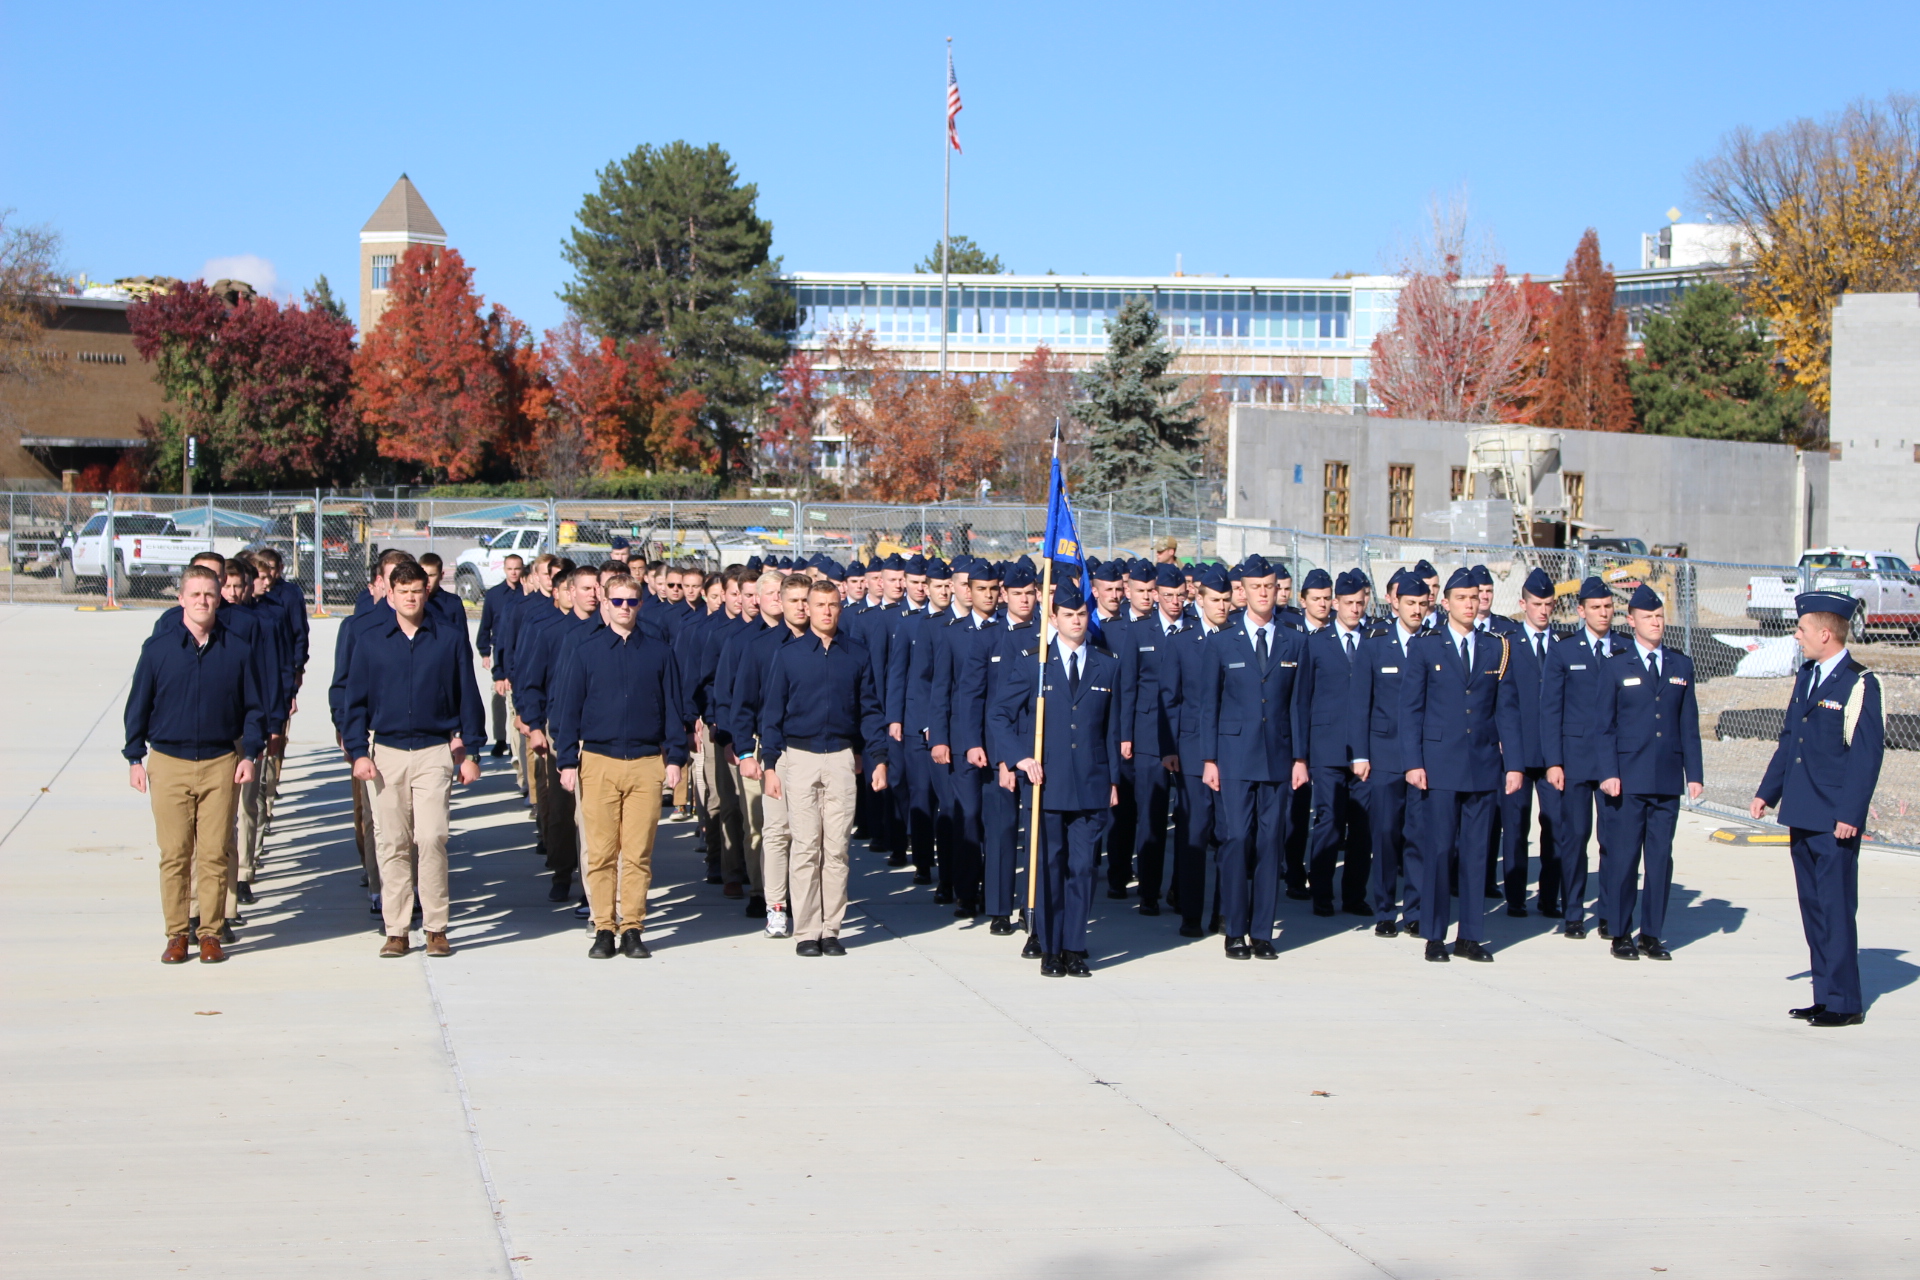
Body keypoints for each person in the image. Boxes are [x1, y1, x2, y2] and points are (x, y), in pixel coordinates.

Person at [1752, 592, 1885, 1026]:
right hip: (1802, 810)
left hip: (1834, 819)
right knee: (1812, 907)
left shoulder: (1859, 682)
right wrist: (1767, 792)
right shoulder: (1807, 675)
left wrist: (1850, 814)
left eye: (1803, 629)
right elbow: (1790, 739)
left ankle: (1845, 1002)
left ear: (1825, 634)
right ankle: (1824, 994)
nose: (1797, 635)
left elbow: (1866, 756)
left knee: (1836, 907)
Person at [344, 561, 485, 958]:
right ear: (389, 595)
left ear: (427, 592)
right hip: (385, 753)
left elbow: (467, 695)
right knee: (392, 842)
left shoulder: (449, 637)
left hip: (434, 751)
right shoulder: (370, 639)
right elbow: (354, 701)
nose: (410, 597)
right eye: (402, 590)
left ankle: (436, 926)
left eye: (417, 590)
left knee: (432, 837)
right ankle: (397, 929)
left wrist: (470, 750)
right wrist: (358, 751)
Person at [125, 565, 264, 964]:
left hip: (222, 761)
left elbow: (255, 709)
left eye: (209, 594)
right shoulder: (158, 650)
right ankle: (176, 933)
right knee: (174, 853)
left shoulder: (237, 650)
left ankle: (210, 933)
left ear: (219, 598)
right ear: (181, 599)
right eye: (196, 594)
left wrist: (249, 755)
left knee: (215, 852)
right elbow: (137, 707)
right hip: (168, 763)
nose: (203, 601)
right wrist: (135, 756)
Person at [550, 574, 690, 959]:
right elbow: (568, 709)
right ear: (605, 602)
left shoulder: (659, 652)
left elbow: (673, 709)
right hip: (597, 761)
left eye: (631, 601)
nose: (624, 608)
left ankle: (632, 926)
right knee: (600, 852)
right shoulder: (585, 650)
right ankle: (603, 927)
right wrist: (566, 761)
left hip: (646, 762)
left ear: (641, 604)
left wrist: (675, 758)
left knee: (638, 852)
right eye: (617, 601)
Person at [991, 583, 1121, 977]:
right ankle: (1049, 947)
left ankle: (1074, 946)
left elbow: (1112, 729)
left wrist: (1113, 780)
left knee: (1083, 869)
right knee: (1049, 866)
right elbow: (1000, 716)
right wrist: (1020, 758)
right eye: (1068, 615)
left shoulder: (1107, 664)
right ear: (1054, 619)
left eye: (1081, 614)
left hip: (1091, 785)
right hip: (1046, 785)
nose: (1076, 621)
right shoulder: (1035, 663)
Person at [760, 579, 890, 957]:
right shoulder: (788, 655)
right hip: (798, 758)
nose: (826, 612)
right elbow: (772, 714)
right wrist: (770, 765)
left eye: (833, 605)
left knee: (836, 849)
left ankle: (831, 929)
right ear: (809, 610)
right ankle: (805, 931)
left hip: (841, 758)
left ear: (840, 607)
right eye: (819, 605)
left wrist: (878, 758)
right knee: (805, 847)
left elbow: (870, 710)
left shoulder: (857, 654)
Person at [1400, 567, 1524, 963]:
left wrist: (1515, 765)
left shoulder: (1495, 647)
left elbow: (1507, 711)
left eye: (1475, 598)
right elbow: (1411, 709)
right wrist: (1413, 762)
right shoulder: (1426, 646)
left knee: (1476, 853)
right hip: (1438, 763)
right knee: (1439, 850)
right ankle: (1435, 935)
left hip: (1483, 763)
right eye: (1462, 599)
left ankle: (1470, 935)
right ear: (1446, 603)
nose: (1470, 605)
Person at [1196, 553, 1309, 961]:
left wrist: (1300, 758)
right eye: (1256, 587)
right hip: (1234, 756)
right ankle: (1234, 928)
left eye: (1270, 587)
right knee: (1237, 839)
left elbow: (1299, 705)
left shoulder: (1296, 640)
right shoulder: (1222, 642)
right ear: (1241, 592)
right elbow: (1209, 703)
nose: (1264, 594)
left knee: (1269, 844)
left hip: (1278, 757)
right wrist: (1209, 759)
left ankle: (1262, 932)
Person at [1594, 584, 1704, 962]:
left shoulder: (1680, 665)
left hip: (1666, 778)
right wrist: (1608, 772)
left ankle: (1652, 933)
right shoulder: (1616, 664)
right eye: (1647, 617)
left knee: (1660, 859)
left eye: (1659, 617)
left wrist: (1695, 773)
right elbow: (1603, 726)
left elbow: (1688, 723)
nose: (1655, 623)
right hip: (1627, 777)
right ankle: (1621, 931)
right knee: (1624, 858)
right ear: (1632, 621)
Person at [1542, 578, 1630, 939]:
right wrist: (1554, 762)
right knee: (1574, 837)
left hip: (1612, 762)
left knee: (1612, 841)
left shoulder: (1625, 650)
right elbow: (1551, 710)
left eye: (1608, 607)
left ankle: (1610, 913)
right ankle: (1574, 911)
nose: (1604, 613)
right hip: (1575, 760)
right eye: (1596, 607)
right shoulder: (1565, 651)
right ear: (1581, 611)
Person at [960, 560, 1043, 938]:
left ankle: (1032, 905)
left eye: (1030, 593)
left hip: (1035, 748)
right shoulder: (987, 637)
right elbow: (973, 695)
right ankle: (998, 907)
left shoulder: (1044, 636)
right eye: (1017, 594)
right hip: (997, 751)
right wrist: (975, 743)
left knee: (1035, 831)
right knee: (1002, 828)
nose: (1024, 600)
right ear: (1004, 595)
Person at [1350, 570, 1428, 937]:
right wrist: (1360, 754)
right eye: (1409, 603)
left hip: (1423, 757)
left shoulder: (1434, 642)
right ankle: (1384, 908)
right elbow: (1359, 703)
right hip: (1382, 755)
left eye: (1422, 604)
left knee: (1418, 834)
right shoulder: (1375, 643)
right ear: (1395, 604)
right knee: (1384, 833)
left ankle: (1413, 909)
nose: (1416, 610)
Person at [932, 558, 1002, 920]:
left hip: (999, 742)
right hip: (961, 740)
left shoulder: (1009, 630)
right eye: (981, 590)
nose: (988, 596)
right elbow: (941, 689)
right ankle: (965, 890)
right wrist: (940, 738)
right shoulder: (951, 632)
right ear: (968, 592)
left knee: (996, 819)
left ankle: (995, 891)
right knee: (968, 817)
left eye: (993, 589)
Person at [1116, 562, 1187, 915]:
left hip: (1184, 735)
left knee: (1189, 816)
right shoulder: (1140, 632)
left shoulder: (1194, 631)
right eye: (1168, 596)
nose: (1175, 602)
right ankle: (1148, 889)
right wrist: (1126, 734)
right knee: (1152, 815)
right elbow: (1127, 687)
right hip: (1147, 735)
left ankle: (1181, 887)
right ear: (1156, 596)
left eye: (1180, 595)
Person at [1301, 568, 1374, 917]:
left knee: (1362, 825)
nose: (1354, 609)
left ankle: (1354, 894)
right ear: (1335, 604)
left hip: (1364, 751)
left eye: (1360, 603)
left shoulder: (1375, 642)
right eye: (1348, 603)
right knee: (1329, 820)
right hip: (1327, 748)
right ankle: (1322, 892)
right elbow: (1303, 699)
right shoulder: (1315, 643)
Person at [1165, 565, 1232, 937]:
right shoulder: (1182, 640)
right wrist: (1169, 748)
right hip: (1190, 751)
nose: (1221, 606)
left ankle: (1223, 911)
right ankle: (1191, 912)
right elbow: (1169, 698)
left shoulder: (1240, 638)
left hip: (1230, 750)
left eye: (1226, 600)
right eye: (1214, 600)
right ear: (1199, 600)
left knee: (1229, 834)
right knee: (1193, 832)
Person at [1499, 569, 1565, 918]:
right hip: (1518, 752)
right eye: (1536, 604)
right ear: (1523, 604)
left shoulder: (1563, 645)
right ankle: (1514, 897)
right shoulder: (1509, 644)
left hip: (1554, 753)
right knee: (1516, 824)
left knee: (1554, 824)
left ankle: (1549, 896)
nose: (1543, 611)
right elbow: (1502, 702)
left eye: (1548, 605)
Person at [476, 554, 527, 759]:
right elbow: (485, 624)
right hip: (500, 649)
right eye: (510, 568)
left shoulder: (526, 594)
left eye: (517, 568)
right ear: (504, 569)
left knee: (514, 697)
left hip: (519, 648)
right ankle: (499, 739)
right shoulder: (495, 595)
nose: (514, 572)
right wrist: (484, 652)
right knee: (499, 695)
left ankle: (516, 744)